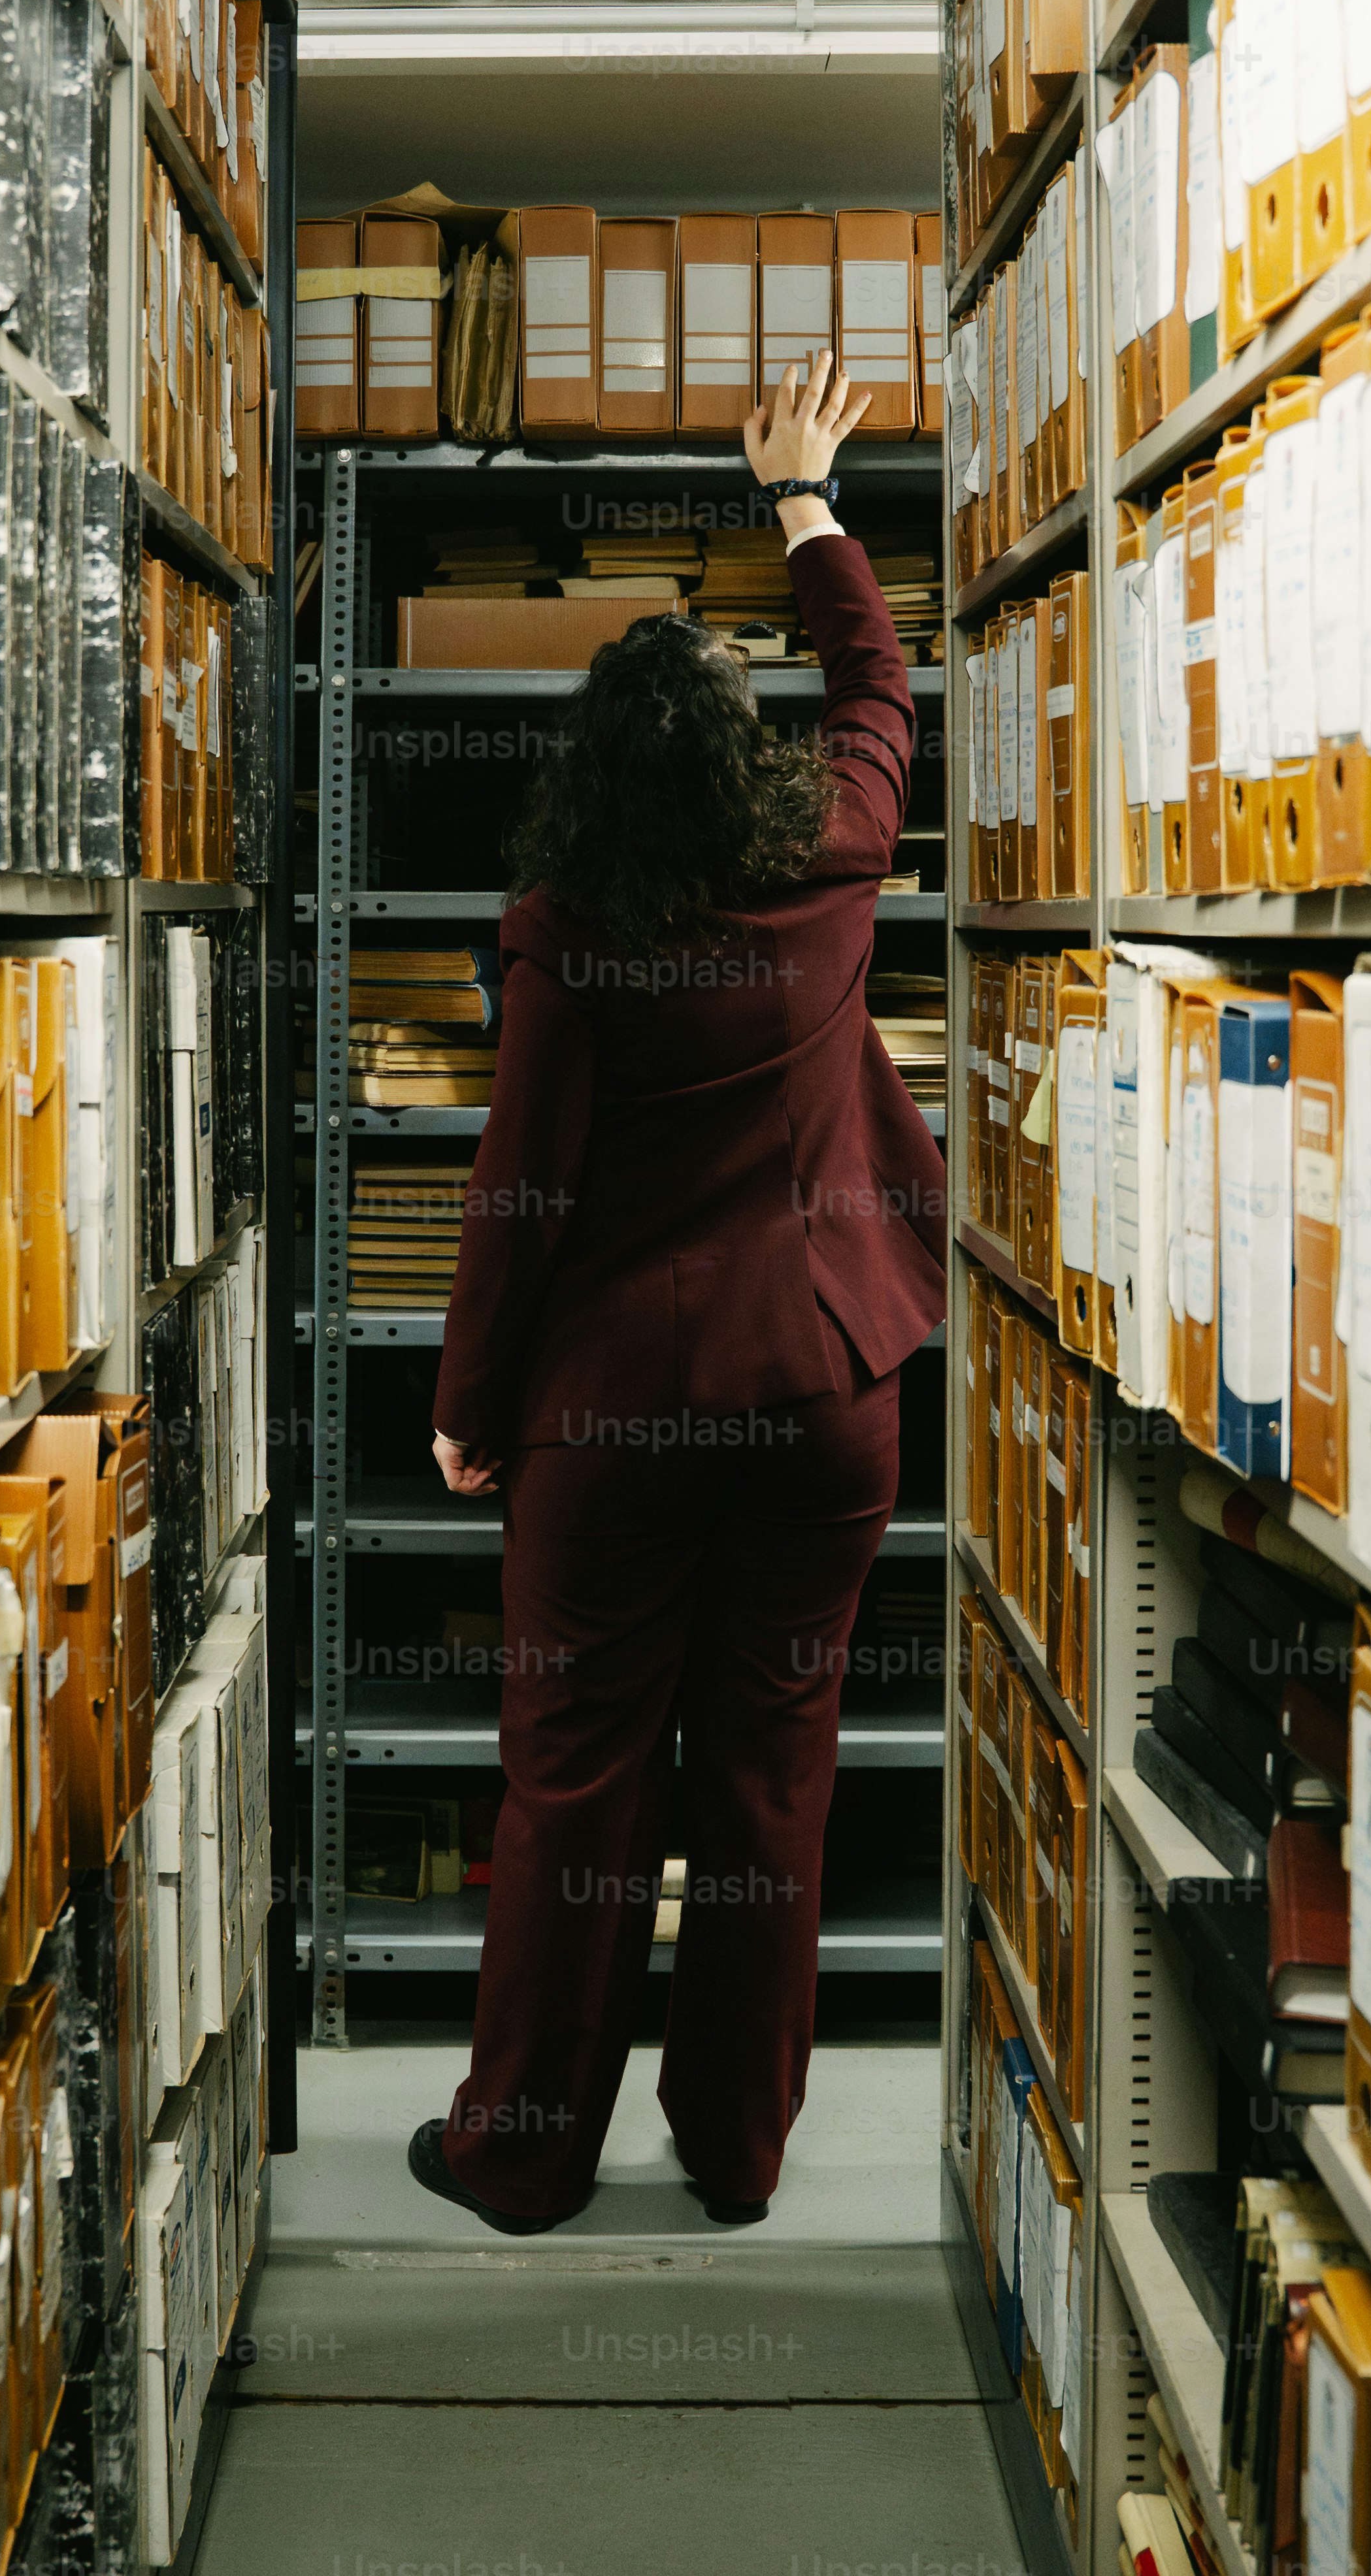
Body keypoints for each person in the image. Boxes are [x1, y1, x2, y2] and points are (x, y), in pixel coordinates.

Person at [409, 350, 949, 2236]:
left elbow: (516, 1198)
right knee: (770, 1789)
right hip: (824, 1393)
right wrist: (800, 500)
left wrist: (474, 1404)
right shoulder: (833, 861)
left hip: (622, 1419)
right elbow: (881, 685)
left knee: (576, 1785)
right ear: (739, 763)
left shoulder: (566, 932)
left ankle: (529, 2147)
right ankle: (735, 2153)